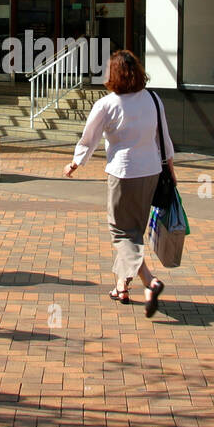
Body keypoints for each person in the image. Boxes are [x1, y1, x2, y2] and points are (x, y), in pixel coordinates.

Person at [63, 50, 175, 318]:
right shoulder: (153, 99)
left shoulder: (107, 104)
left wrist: (75, 164)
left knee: (121, 232)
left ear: (112, 75)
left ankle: (150, 281)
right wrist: (171, 171)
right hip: (151, 172)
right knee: (134, 229)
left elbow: (88, 139)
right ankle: (121, 286)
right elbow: (164, 139)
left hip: (123, 174)